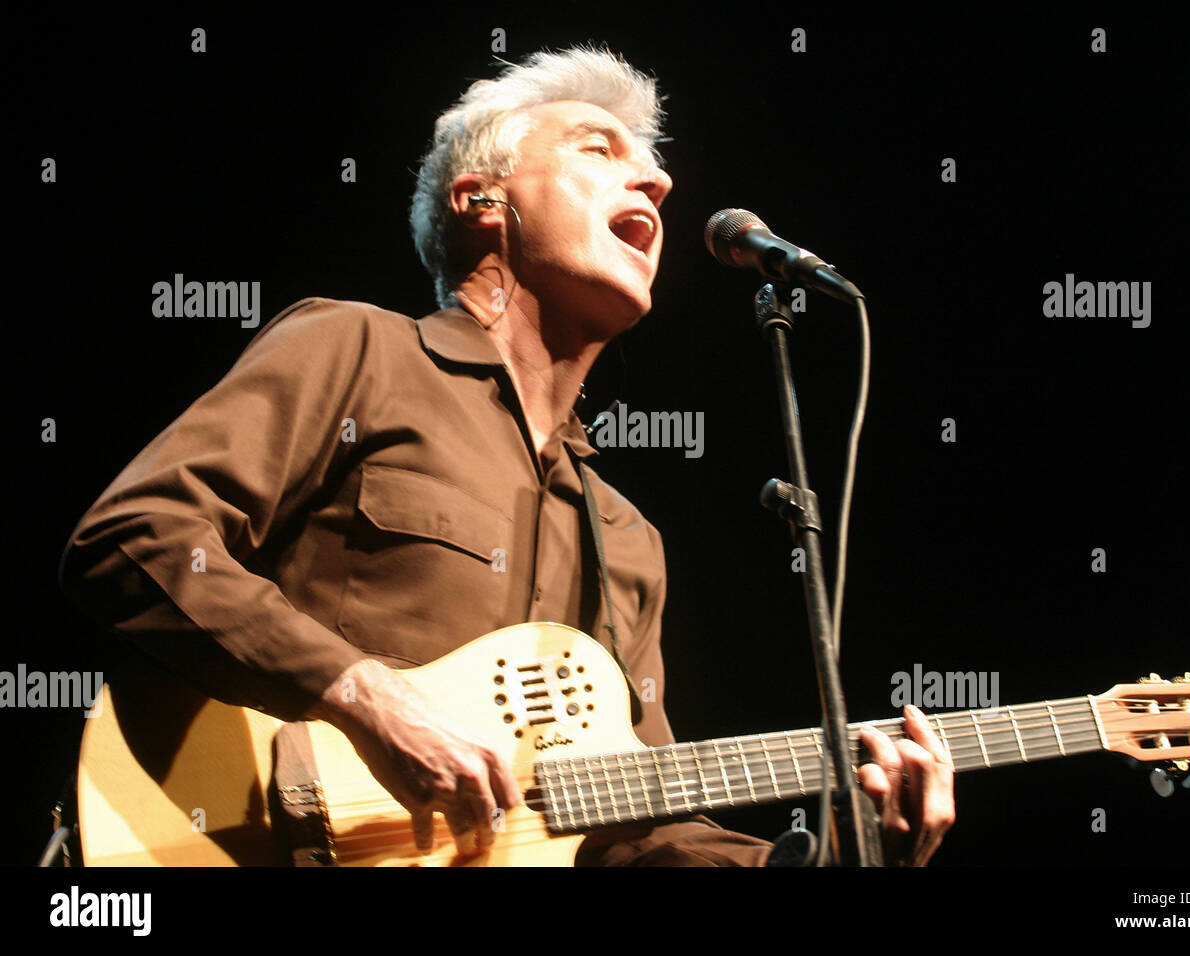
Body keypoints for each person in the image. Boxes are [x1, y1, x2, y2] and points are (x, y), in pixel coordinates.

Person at [59, 45, 954, 866]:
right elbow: (137, 535)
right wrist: (361, 694)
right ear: (481, 200)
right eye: (599, 150)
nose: (659, 181)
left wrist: (840, 855)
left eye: (650, 165)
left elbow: (640, 834)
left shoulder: (625, 539)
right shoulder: (356, 349)